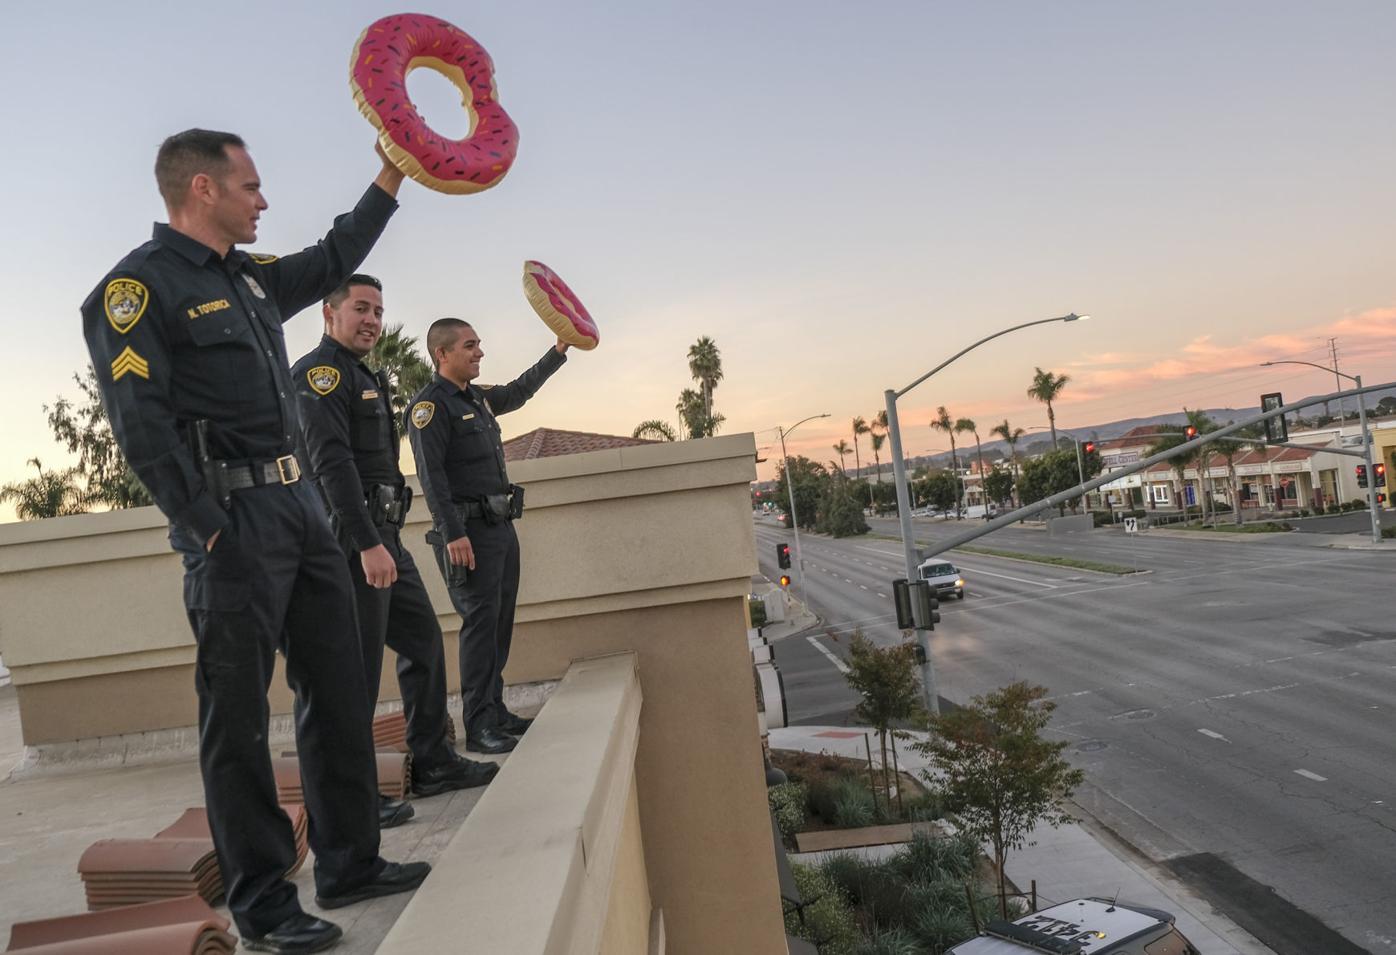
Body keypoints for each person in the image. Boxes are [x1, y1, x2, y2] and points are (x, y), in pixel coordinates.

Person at [81, 129, 426, 954]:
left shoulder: (251, 278)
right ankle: (264, 900)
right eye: (252, 187)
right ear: (202, 189)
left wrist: (391, 171)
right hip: (231, 524)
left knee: (340, 689)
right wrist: (207, 530)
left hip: (302, 510)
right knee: (236, 723)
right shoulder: (136, 289)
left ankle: (349, 860)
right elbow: (143, 429)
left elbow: (336, 248)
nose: (264, 201)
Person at [291, 274, 498, 819]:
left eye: (379, 312)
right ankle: (354, 798)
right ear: (329, 313)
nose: (372, 321)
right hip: (351, 540)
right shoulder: (320, 374)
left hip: (383, 535)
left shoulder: (363, 374)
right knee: (351, 674)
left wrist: (381, 540)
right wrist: (364, 543)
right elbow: (329, 464)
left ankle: (432, 762)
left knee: (424, 644)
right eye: (361, 309)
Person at [407, 319, 569, 754]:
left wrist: (557, 352)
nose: (479, 352)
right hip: (467, 534)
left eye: (479, 344)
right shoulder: (430, 407)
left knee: (499, 622)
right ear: (442, 354)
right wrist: (452, 532)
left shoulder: (475, 398)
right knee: (479, 625)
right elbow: (431, 476)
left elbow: (517, 391)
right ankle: (479, 725)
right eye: (470, 346)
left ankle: (495, 710)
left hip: (498, 527)